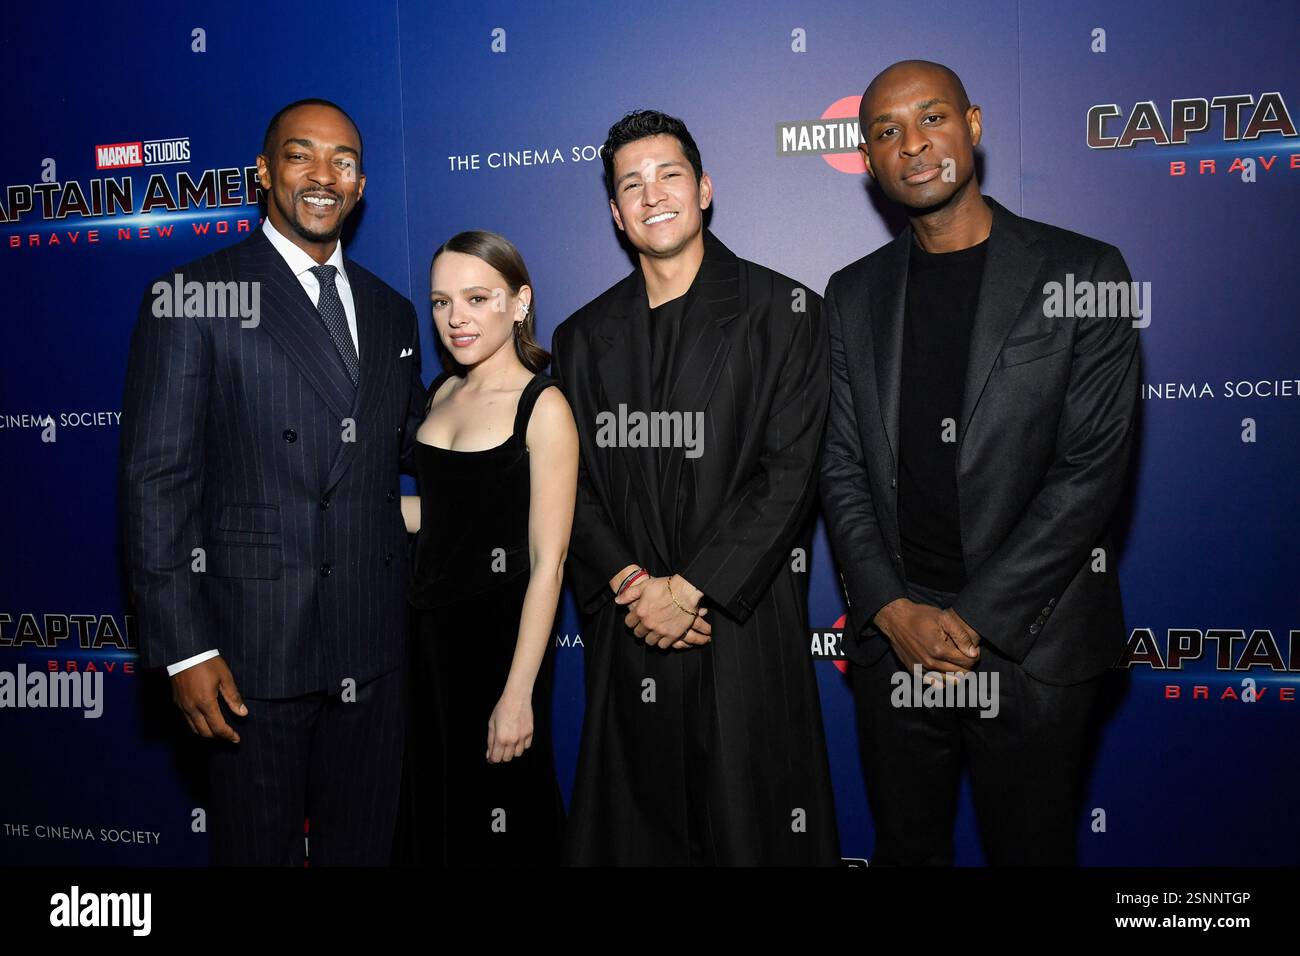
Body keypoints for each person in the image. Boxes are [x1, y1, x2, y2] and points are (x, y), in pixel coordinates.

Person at [819, 60, 1141, 865]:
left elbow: (1091, 473)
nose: (913, 145)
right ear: (868, 158)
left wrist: (972, 621)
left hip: (1033, 643)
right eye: (886, 132)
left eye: (931, 118)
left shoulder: (1084, 272)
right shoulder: (852, 292)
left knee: (1031, 851)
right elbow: (841, 466)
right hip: (896, 638)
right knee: (906, 849)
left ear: (975, 124)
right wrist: (891, 610)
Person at [120, 98, 427, 865]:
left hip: (373, 650)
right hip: (251, 655)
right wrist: (184, 651)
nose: (324, 176)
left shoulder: (393, 313)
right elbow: (157, 483)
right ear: (263, 172)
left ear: (360, 187)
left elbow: (402, 456)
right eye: (301, 156)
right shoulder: (192, 295)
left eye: (344, 163)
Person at [552, 109, 839, 865]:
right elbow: (566, 486)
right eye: (631, 185)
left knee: (754, 834)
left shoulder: (786, 312)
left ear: (705, 189)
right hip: (630, 630)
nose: (653, 195)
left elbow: (790, 474)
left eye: (669, 175)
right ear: (615, 212)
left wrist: (690, 591)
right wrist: (633, 583)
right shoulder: (582, 337)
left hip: (739, 629)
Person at [397, 231, 575, 866]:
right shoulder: (443, 393)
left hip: (499, 642)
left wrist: (518, 692)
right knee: (433, 805)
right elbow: (445, 516)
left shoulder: (543, 405)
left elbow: (548, 562)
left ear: (519, 302)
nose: (456, 318)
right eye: (442, 302)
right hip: (426, 635)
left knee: (501, 813)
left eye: (477, 298)